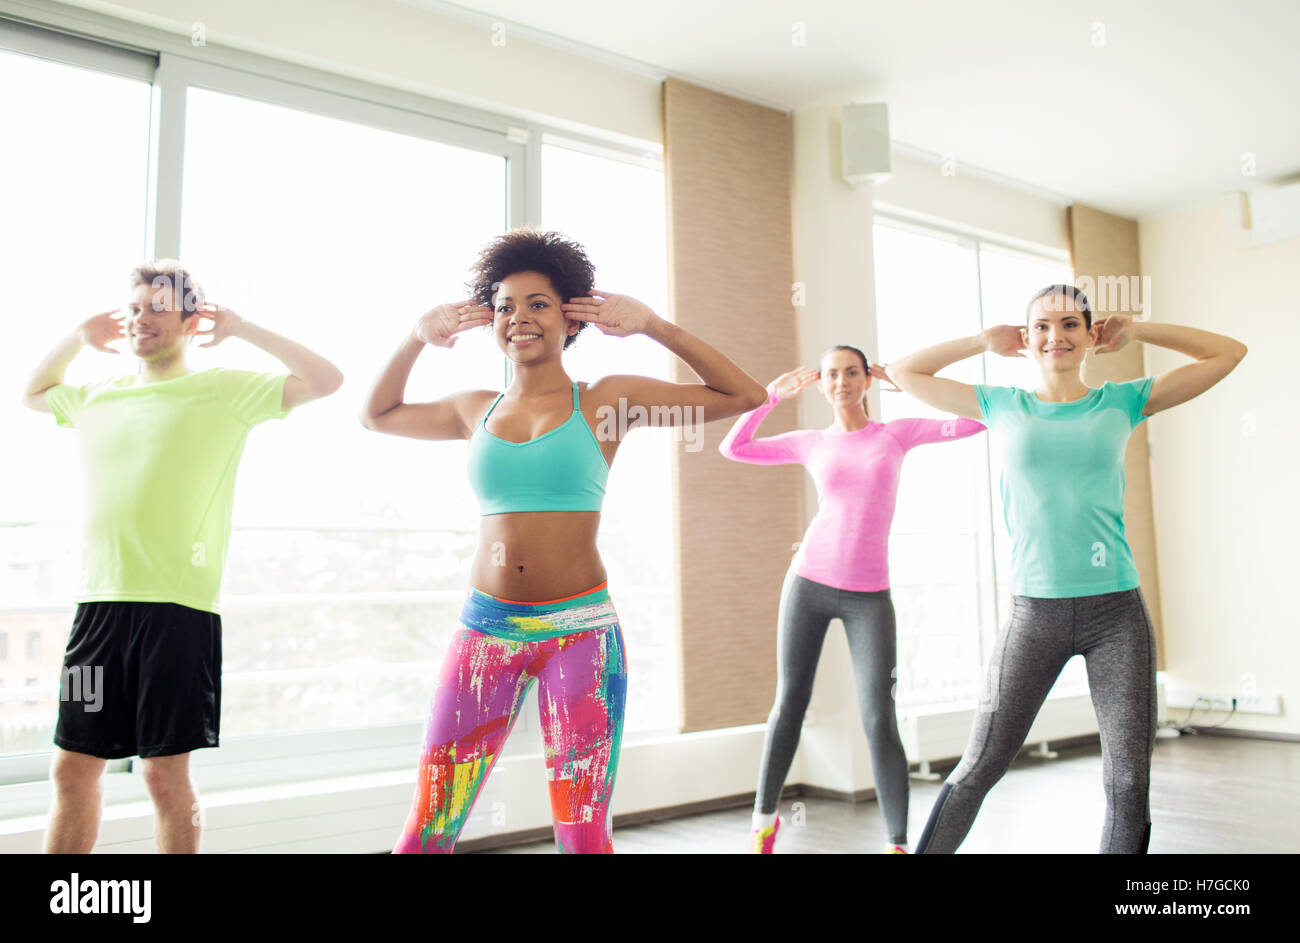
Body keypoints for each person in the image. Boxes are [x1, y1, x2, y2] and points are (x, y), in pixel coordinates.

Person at [362, 228, 766, 854]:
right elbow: (377, 414)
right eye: (504, 307)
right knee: (426, 832)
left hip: (580, 635)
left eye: (538, 304)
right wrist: (418, 336)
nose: (518, 319)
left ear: (571, 317)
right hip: (486, 631)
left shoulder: (607, 402)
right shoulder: (475, 409)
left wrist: (654, 326)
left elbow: (745, 395)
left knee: (582, 839)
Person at [889, 284, 1247, 854]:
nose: (1055, 336)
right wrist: (982, 340)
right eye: (1041, 326)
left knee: (1128, 782)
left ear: (1090, 335)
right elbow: (904, 370)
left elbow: (1228, 353)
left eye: (1069, 325)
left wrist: (1138, 330)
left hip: (1117, 614)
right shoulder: (1000, 403)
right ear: (1025, 338)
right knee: (980, 765)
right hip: (1034, 615)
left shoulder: (1123, 401)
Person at [22, 260, 343, 853]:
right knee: (71, 769)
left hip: (177, 614)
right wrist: (75, 339)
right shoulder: (97, 394)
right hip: (98, 614)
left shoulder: (224, 390)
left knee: (163, 777)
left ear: (192, 320)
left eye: (158, 307)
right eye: (134, 308)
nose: (143, 319)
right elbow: (32, 393)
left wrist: (243, 328)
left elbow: (326, 379)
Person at [720, 345, 985, 853]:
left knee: (878, 717)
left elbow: (975, 422)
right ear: (820, 383)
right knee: (790, 704)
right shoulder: (811, 442)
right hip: (808, 584)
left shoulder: (896, 435)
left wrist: (907, 383)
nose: (840, 381)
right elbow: (735, 447)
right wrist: (772, 396)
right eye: (831, 374)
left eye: (851, 372)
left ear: (867, 379)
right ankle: (763, 823)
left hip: (869, 596)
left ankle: (897, 844)